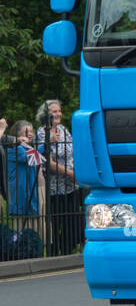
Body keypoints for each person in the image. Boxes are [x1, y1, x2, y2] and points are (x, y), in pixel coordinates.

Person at [36, 99, 81, 256]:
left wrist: (76, 169)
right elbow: (48, 162)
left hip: (71, 186)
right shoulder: (42, 132)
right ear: (46, 115)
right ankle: (55, 255)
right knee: (55, 224)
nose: (58, 114)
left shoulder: (63, 129)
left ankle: (67, 251)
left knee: (74, 223)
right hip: (54, 188)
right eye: (54, 111)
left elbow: (72, 152)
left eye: (59, 111)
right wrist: (70, 173)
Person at [5, 121, 46, 246]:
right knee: (22, 231)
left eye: (31, 132)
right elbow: (36, 158)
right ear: (17, 135)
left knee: (33, 229)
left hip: (29, 192)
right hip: (21, 194)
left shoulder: (27, 148)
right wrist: (46, 143)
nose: (30, 135)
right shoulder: (15, 149)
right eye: (26, 132)